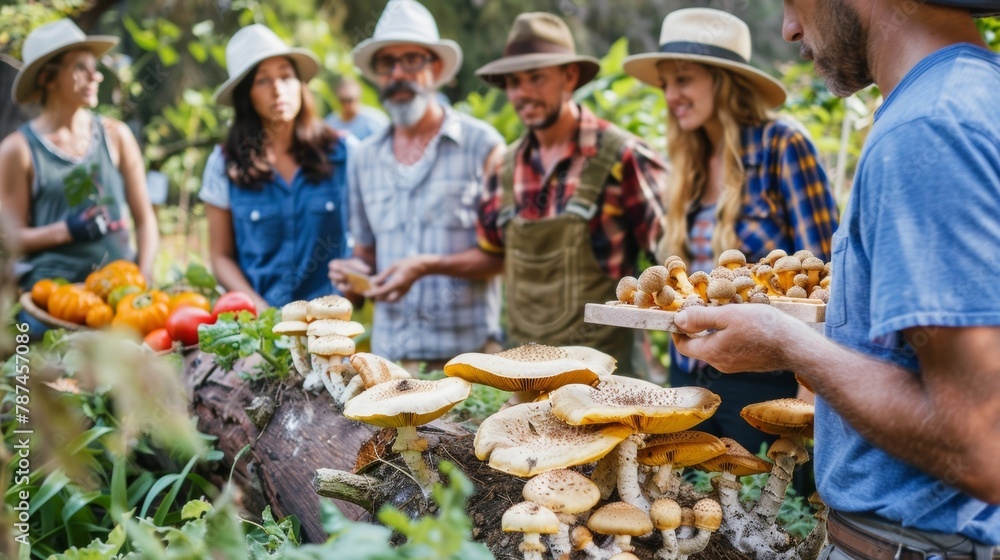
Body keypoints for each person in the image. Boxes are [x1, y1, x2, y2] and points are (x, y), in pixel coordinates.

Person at [671, 0, 1000, 555]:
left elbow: (979, 444)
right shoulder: (967, 97)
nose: (790, 27)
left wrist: (788, 344)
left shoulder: (927, 130)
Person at [366, 12, 669, 376]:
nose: (522, 93)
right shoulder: (502, 167)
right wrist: (424, 265)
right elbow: (491, 256)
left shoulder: (623, 157)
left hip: (609, 383)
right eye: (512, 82)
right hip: (526, 384)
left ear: (570, 76)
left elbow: (674, 264)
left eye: (536, 78)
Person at [622, 8, 838, 453]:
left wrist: (809, 392)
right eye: (665, 84)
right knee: (692, 505)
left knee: (769, 510)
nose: (670, 96)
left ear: (723, 81)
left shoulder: (783, 146)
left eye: (683, 80)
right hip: (689, 370)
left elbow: (829, 278)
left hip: (763, 378)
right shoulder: (690, 162)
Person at [328, 0, 505, 372]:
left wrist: (427, 266)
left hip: (472, 361)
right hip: (391, 364)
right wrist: (352, 276)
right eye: (386, 64)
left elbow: (503, 257)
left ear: (435, 68)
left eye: (411, 60)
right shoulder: (364, 158)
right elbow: (366, 253)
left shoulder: (482, 146)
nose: (398, 75)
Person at [200, 24, 352, 310]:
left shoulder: (342, 152)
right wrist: (261, 311)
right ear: (246, 95)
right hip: (261, 328)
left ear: (300, 84)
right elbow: (221, 257)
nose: (278, 89)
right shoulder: (224, 163)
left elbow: (365, 242)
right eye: (262, 81)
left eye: (286, 76)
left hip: (332, 326)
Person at [0, 19, 158, 292]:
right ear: (47, 78)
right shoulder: (19, 150)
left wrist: (143, 280)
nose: (95, 77)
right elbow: (13, 238)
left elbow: (145, 221)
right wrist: (68, 230)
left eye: (94, 68)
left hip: (118, 292)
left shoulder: (116, 136)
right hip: (51, 298)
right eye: (80, 68)